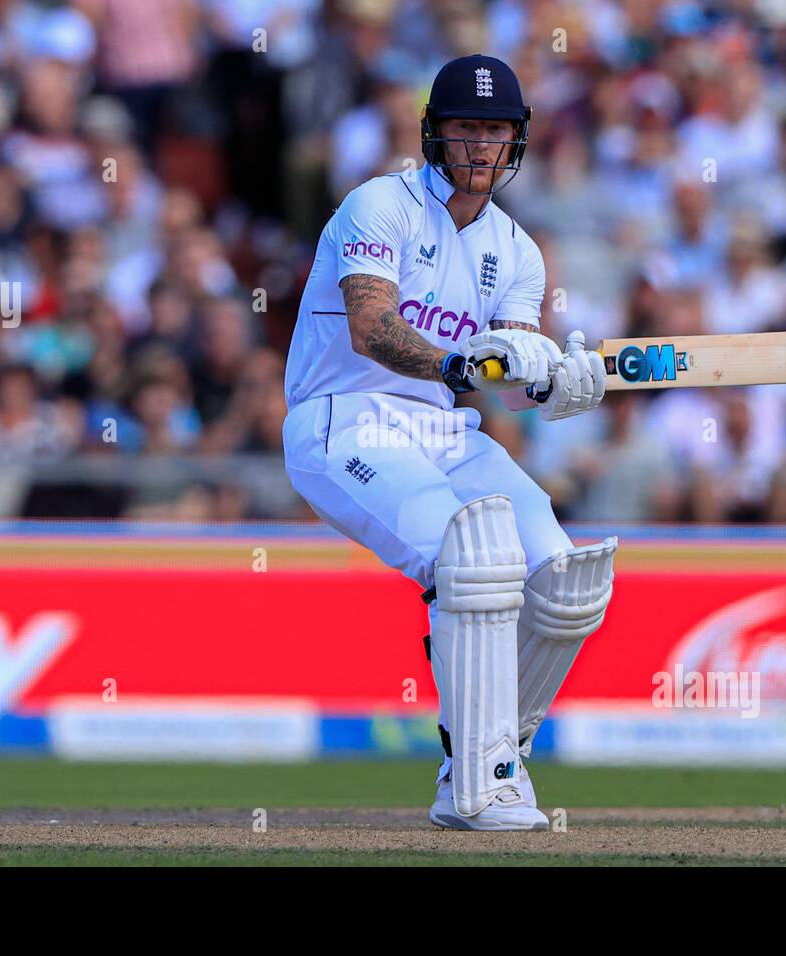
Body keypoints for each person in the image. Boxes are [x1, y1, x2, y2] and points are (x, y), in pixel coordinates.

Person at [282, 55, 615, 830]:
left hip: (441, 430)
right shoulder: (379, 205)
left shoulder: (518, 251)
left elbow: (508, 364)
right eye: (464, 127)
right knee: (471, 554)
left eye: (493, 130)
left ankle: (480, 760)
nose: (478, 145)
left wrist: (555, 383)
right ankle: (484, 783)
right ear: (434, 132)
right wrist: (464, 363)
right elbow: (371, 328)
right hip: (345, 416)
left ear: (516, 141)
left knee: (565, 580)